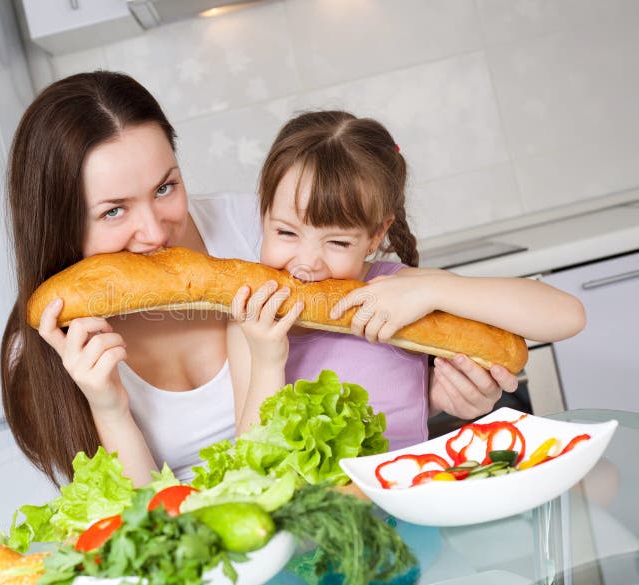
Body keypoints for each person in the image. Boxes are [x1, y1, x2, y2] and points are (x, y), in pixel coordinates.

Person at [1, 71, 524, 487]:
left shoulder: (266, 234)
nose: (155, 230)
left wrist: (433, 393)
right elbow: (136, 531)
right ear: (58, 221)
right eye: (114, 211)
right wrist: (107, 406)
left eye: (165, 188)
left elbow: (359, 348)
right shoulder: (48, 352)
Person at [228, 110, 586, 451]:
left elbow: (567, 315)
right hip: (319, 513)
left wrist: (434, 287)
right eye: (286, 232)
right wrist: (267, 362)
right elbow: (254, 461)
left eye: (337, 242)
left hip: (407, 499)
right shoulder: (251, 319)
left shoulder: (399, 292)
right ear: (263, 215)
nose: (307, 262)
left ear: (375, 235)